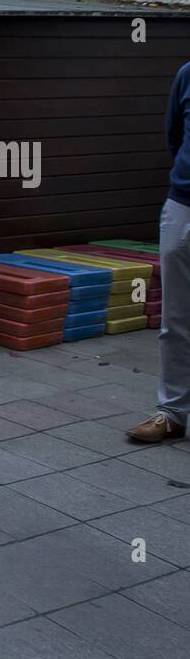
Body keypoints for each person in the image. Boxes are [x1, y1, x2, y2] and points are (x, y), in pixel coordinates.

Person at [128, 60, 190, 444]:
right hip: (182, 204)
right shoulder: (187, 73)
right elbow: (174, 136)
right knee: (176, 319)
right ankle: (172, 412)